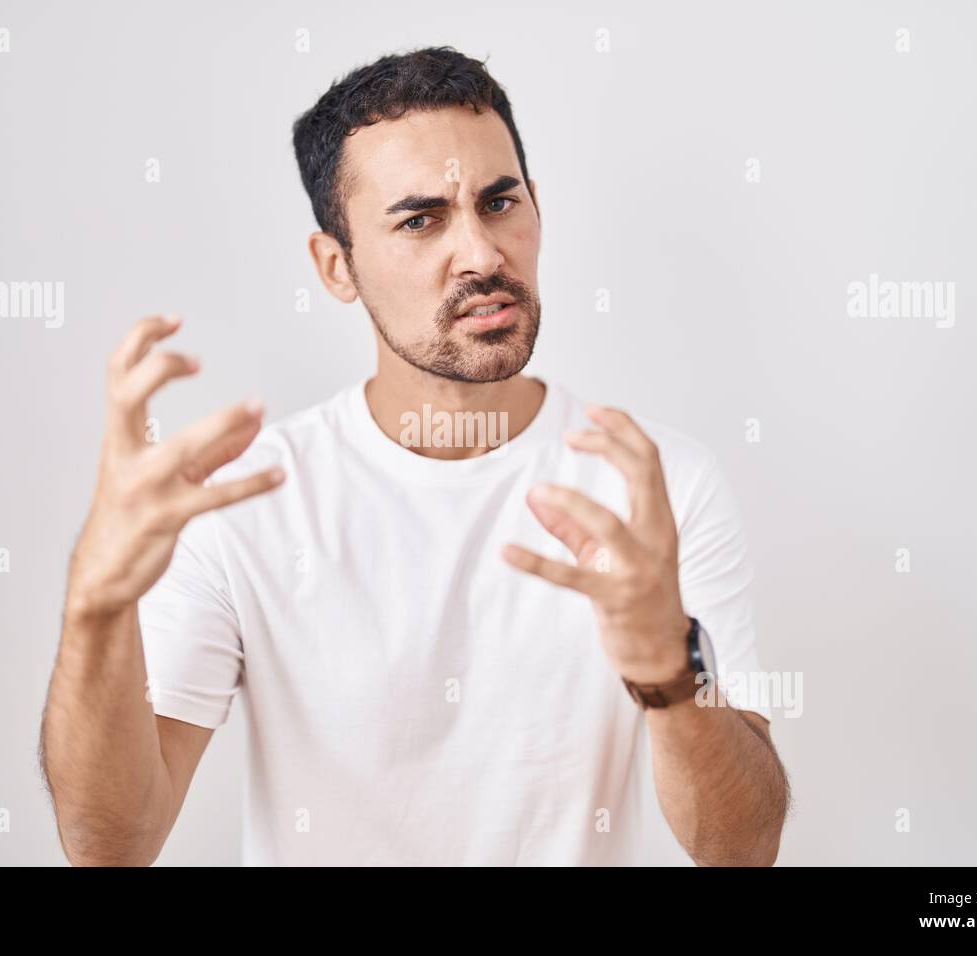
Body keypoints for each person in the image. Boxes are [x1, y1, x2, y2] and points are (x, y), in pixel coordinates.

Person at [39, 46, 790, 866]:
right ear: (337, 267)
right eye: (420, 219)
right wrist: (96, 609)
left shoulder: (657, 485)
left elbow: (741, 851)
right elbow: (112, 844)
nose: (480, 254)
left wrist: (672, 676)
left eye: (499, 202)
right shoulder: (243, 505)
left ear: (536, 206)